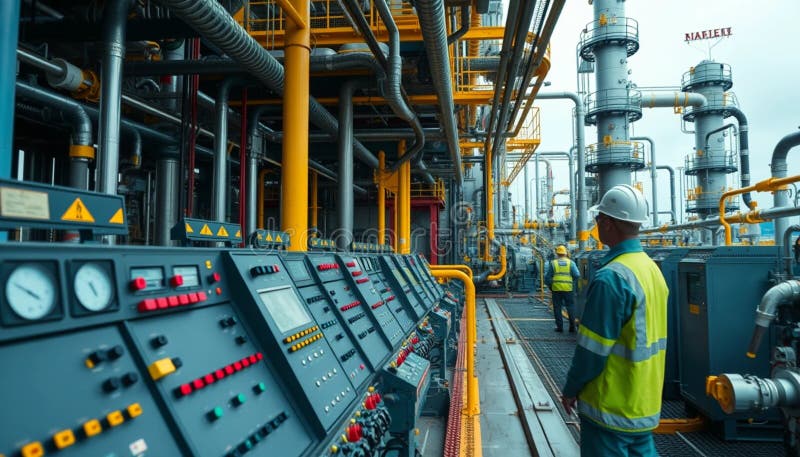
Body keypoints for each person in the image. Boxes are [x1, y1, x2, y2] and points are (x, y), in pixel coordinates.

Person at [561, 184, 669, 457]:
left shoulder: (612, 277)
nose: (597, 226)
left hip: (610, 406)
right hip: (643, 404)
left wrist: (571, 389)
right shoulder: (651, 270)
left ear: (608, 223)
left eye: (598, 220)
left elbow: (592, 350)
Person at [545, 244, 580, 332]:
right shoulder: (571, 263)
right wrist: (571, 281)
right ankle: (572, 327)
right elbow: (577, 275)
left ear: (557, 254)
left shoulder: (553, 263)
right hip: (568, 288)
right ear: (565, 253)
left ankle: (559, 327)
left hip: (556, 289)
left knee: (557, 308)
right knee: (570, 307)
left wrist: (551, 286)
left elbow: (547, 277)